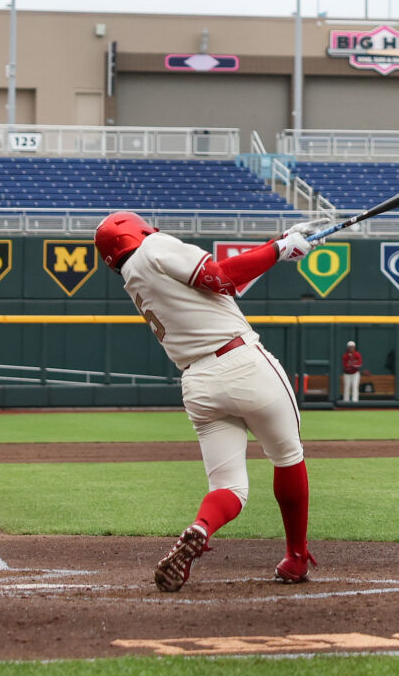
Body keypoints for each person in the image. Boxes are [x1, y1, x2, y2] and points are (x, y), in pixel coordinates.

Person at [95, 211, 318, 591]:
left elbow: (218, 283)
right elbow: (223, 277)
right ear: (140, 231)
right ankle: (296, 558)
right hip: (243, 362)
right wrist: (280, 250)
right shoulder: (156, 246)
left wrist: (277, 245)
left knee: (230, 487)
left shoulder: (135, 277)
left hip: (198, 383)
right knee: (288, 456)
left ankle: (202, 526)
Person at [340, 340, 363, 404]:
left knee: (355, 387)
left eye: (352, 347)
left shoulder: (357, 354)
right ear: (347, 347)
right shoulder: (345, 356)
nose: (351, 348)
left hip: (355, 373)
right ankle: (345, 401)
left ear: (354, 347)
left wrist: (352, 366)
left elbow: (359, 364)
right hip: (347, 374)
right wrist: (351, 366)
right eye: (349, 347)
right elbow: (345, 366)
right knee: (347, 387)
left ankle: (355, 401)